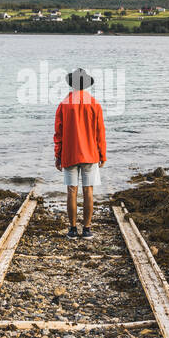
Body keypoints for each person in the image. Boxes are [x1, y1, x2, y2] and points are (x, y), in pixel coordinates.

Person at [53, 67, 106, 238]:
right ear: (86, 85)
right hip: (90, 154)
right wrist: (102, 154)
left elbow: (58, 133)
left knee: (71, 190)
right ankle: (87, 229)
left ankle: (72, 229)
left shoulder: (64, 105)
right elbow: (100, 132)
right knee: (88, 190)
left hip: (69, 154)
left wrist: (57, 155)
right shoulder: (95, 104)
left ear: (72, 85)